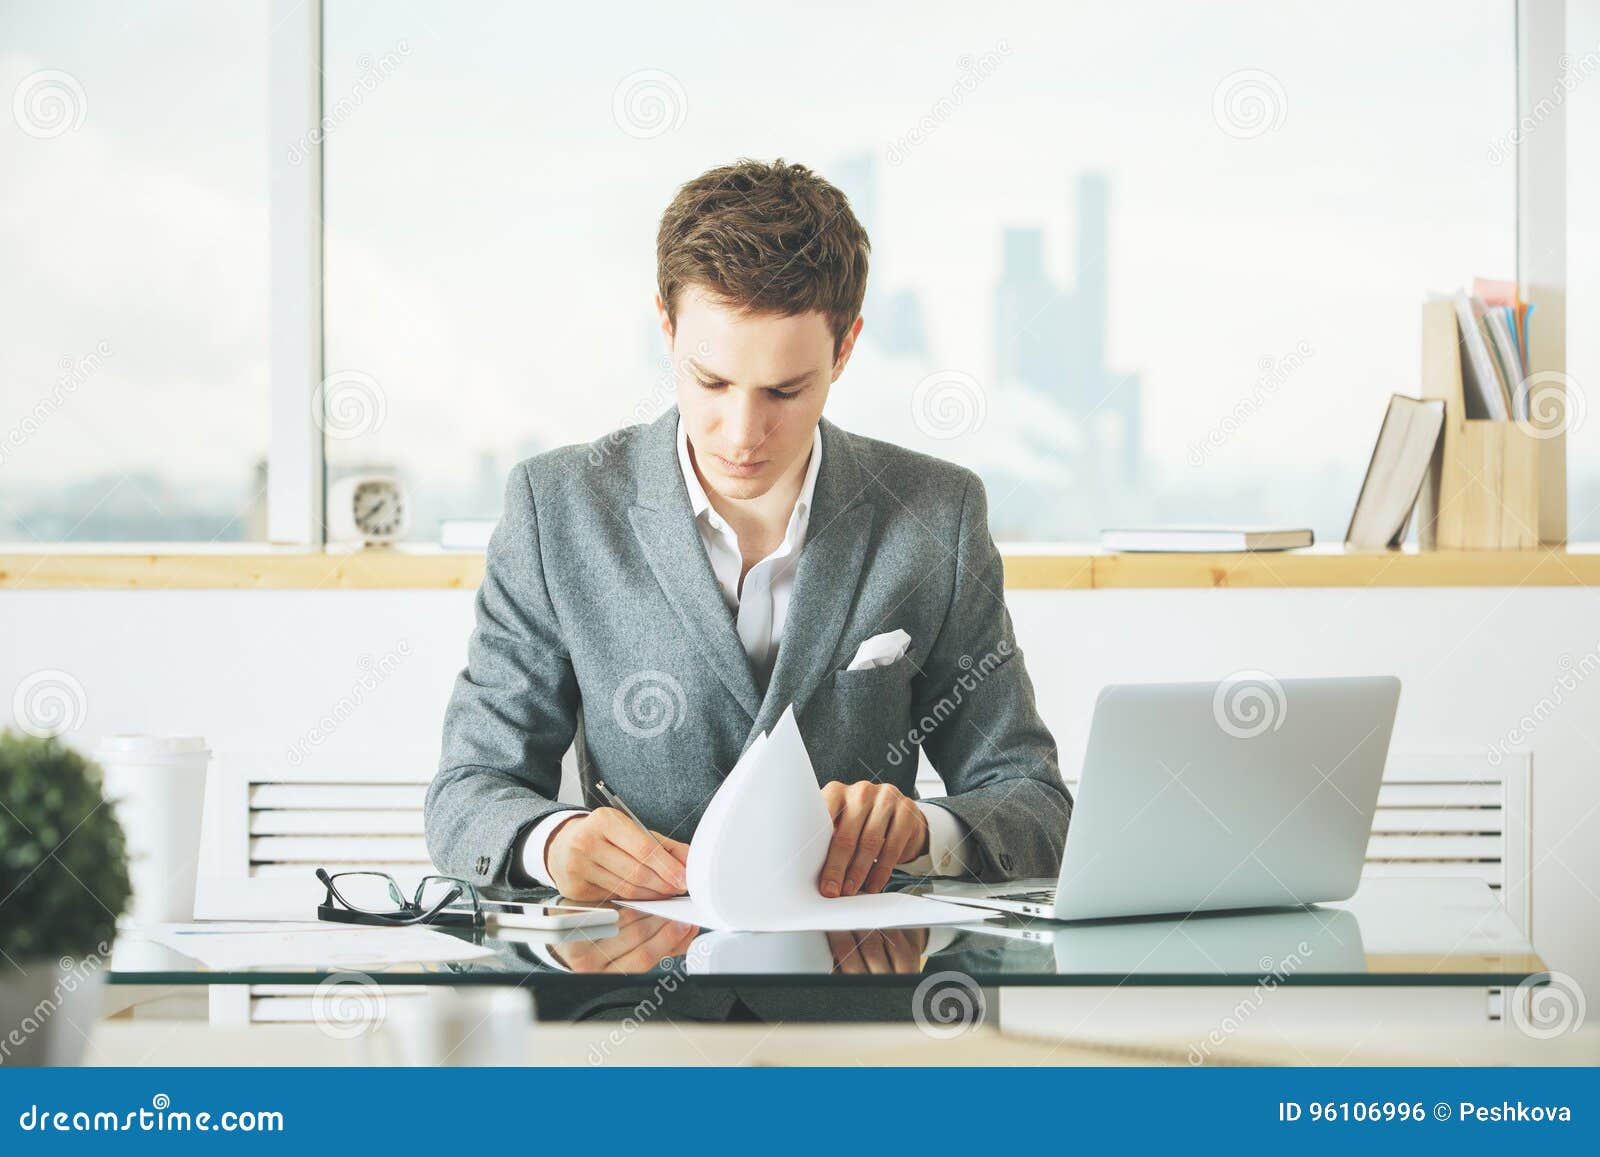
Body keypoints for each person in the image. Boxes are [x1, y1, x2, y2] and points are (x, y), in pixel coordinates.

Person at [425, 158, 1071, 903]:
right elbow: (467, 794)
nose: (742, 433)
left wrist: (928, 832)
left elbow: (1035, 805)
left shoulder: (938, 515)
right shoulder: (556, 508)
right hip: (629, 992)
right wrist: (551, 841)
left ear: (848, 348)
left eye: (784, 391)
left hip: (857, 1000)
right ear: (666, 329)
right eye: (712, 382)